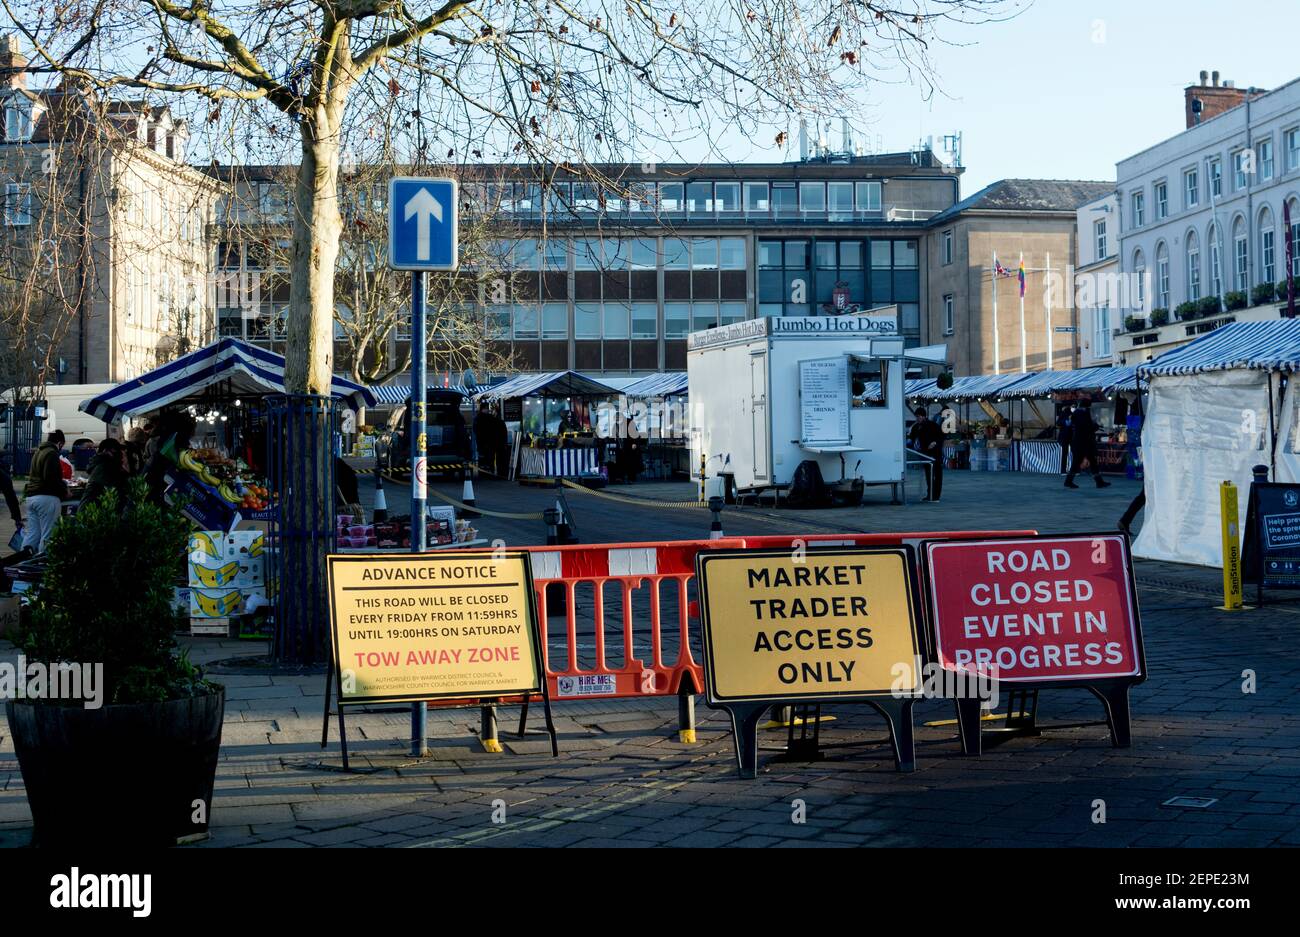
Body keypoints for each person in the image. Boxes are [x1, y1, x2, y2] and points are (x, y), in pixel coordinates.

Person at [23, 430, 68, 553]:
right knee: (48, 535)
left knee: (32, 534)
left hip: (31, 497)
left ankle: (22, 562)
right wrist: (65, 490)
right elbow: (51, 478)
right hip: (47, 498)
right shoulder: (52, 453)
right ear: (60, 442)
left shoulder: (39, 451)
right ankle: (43, 565)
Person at [1064, 403, 1111, 489]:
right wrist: (1095, 426)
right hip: (1084, 443)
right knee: (1081, 462)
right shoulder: (1083, 414)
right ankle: (1069, 481)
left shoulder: (1076, 414)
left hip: (1080, 442)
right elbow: (1087, 428)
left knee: (1088, 462)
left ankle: (1098, 481)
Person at [908, 407, 945, 502]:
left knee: (937, 475)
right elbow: (911, 438)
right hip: (924, 455)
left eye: (919, 416)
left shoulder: (933, 425)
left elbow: (940, 437)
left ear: (924, 416)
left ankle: (936, 496)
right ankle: (930, 494)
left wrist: (935, 442)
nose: (917, 418)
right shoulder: (916, 427)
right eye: (916, 417)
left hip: (935, 454)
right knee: (929, 475)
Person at [81, 438, 131, 509]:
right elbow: (120, 494)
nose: (122, 457)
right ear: (107, 452)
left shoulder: (102, 465)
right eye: (117, 451)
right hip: (93, 515)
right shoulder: (106, 468)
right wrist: (126, 471)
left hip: (94, 512)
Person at [473, 403, 508, 478]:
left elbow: (476, 430)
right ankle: (495, 472)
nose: (489, 411)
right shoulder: (492, 419)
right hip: (492, 442)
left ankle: (485, 473)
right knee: (493, 459)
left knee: (486, 458)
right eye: (487, 409)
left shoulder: (478, 418)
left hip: (485, 442)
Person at [1056, 405, 1073, 475]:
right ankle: (1064, 470)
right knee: (1068, 453)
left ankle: (1065, 470)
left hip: (1068, 436)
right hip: (1068, 436)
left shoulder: (1070, 414)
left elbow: (1058, 423)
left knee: (1066, 453)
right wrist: (1066, 422)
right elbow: (1058, 423)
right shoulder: (1064, 414)